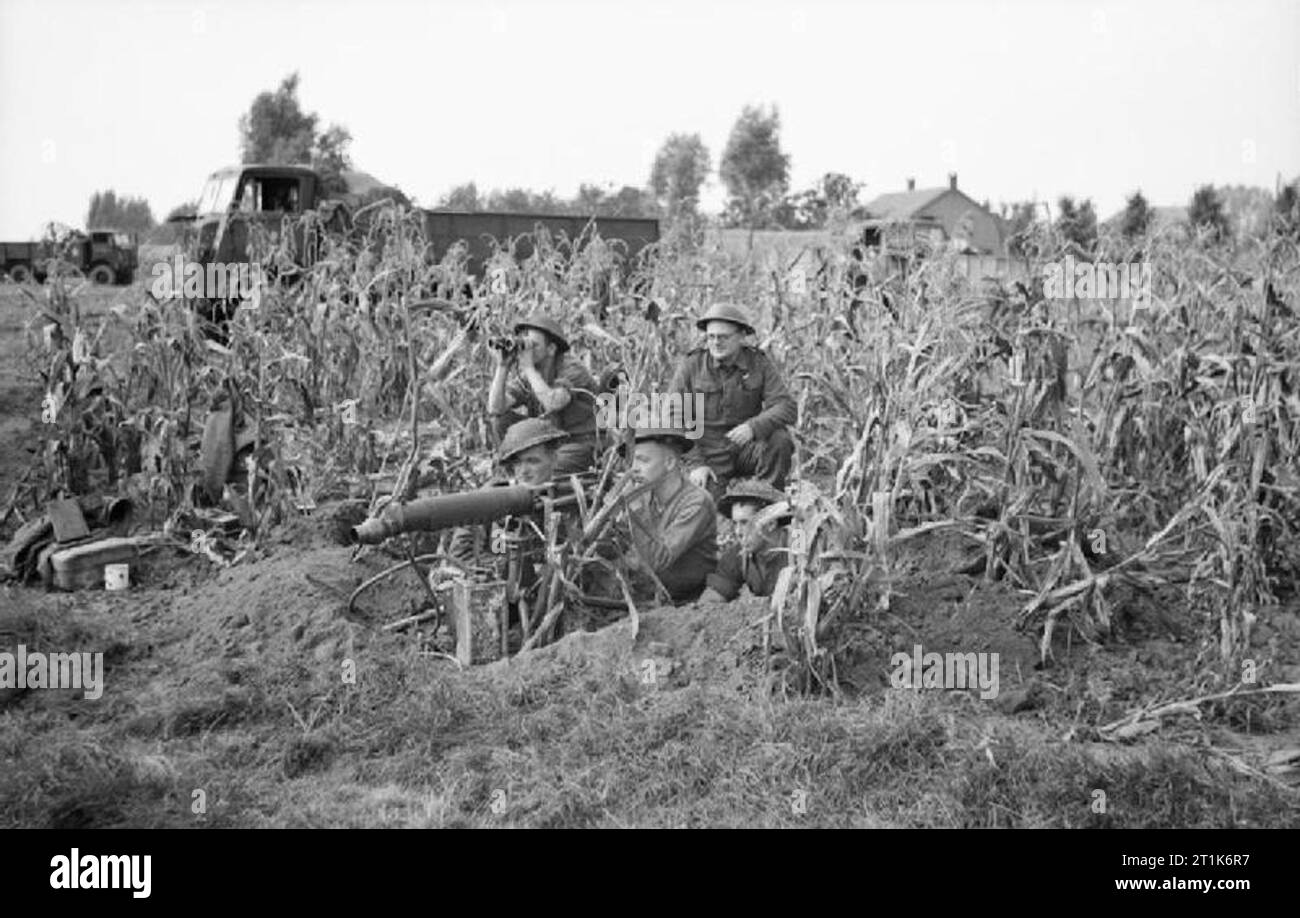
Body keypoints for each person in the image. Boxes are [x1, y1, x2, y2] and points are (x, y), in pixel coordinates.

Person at [666, 303, 796, 499]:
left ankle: (767, 504)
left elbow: (786, 406)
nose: (716, 343)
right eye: (711, 337)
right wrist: (696, 464)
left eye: (724, 337)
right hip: (707, 453)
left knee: (780, 439)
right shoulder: (692, 365)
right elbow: (674, 417)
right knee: (710, 512)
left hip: (746, 448)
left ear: (741, 337)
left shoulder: (758, 363)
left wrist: (753, 427)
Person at [616, 425, 718, 604]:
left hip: (688, 601)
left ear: (670, 463)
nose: (634, 469)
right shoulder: (644, 495)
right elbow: (618, 543)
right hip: (650, 596)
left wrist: (634, 507)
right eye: (632, 461)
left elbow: (658, 560)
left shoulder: (696, 502)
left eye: (643, 460)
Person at [488, 313, 600, 476]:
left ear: (551, 349)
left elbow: (553, 403)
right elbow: (495, 408)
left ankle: (529, 478)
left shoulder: (572, 368)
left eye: (532, 345)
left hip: (580, 442)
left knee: (547, 472)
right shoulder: (530, 376)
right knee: (500, 420)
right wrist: (502, 367)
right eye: (523, 344)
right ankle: (513, 471)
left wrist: (528, 367)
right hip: (548, 442)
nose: (526, 351)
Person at [700, 478, 792, 603]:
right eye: (735, 523)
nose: (738, 532)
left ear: (770, 524)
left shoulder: (799, 550)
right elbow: (711, 599)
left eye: (745, 523)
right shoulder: (738, 554)